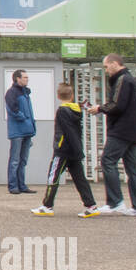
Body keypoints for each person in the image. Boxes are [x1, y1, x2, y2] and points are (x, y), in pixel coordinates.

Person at [89, 54, 136, 216]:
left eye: (106, 67)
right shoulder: (129, 79)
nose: (106, 70)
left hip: (121, 130)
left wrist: (99, 108)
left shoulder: (123, 80)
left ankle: (115, 202)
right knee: (133, 167)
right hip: (132, 131)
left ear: (115, 64)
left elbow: (117, 105)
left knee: (107, 160)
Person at [31, 82, 99, 217]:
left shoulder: (62, 111)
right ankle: (91, 205)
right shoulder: (76, 109)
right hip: (74, 151)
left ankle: (47, 205)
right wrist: (78, 150)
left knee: (53, 177)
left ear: (58, 96)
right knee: (80, 179)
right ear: (72, 95)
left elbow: (68, 131)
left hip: (63, 150)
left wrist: (68, 148)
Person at [4, 70, 36, 194]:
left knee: (23, 160)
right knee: (15, 160)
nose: (27, 79)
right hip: (17, 131)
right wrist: (25, 119)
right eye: (25, 77)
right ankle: (13, 186)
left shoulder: (26, 93)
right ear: (18, 78)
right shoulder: (11, 93)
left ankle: (21, 185)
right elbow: (13, 110)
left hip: (27, 131)